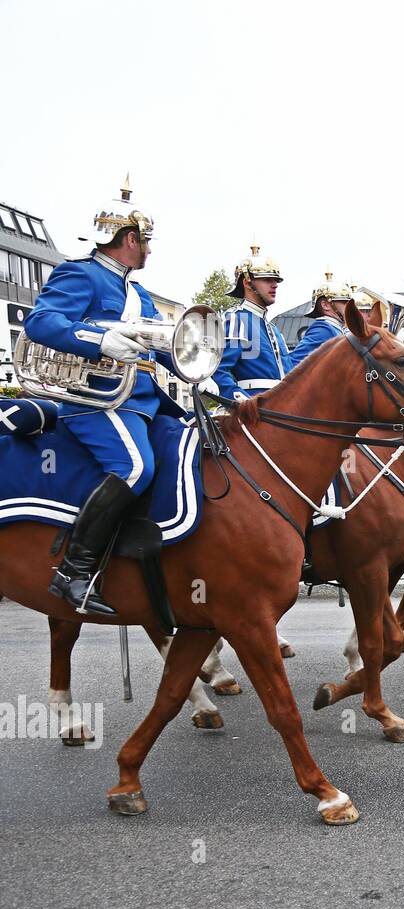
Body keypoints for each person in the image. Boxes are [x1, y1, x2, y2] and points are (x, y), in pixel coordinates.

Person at [23, 177, 187, 614]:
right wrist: (98, 340)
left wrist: (195, 371)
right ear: (130, 239)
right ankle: (74, 572)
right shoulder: (80, 273)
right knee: (134, 467)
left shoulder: (138, 293)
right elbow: (41, 322)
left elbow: (160, 343)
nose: (149, 249)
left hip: (144, 402)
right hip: (98, 402)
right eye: (146, 240)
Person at [212, 245, 291, 400]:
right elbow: (218, 370)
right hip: (256, 411)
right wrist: (244, 403)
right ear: (247, 283)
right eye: (267, 279)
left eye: (276, 280)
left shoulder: (274, 329)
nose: (274, 285)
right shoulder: (237, 319)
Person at [290, 270, 352, 367]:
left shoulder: (335, 328)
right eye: (344, 302)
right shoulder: (323, 330)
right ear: (325, 305)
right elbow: (293, 365)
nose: (350, 307)